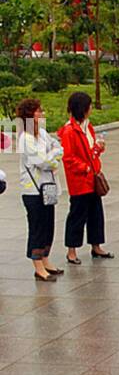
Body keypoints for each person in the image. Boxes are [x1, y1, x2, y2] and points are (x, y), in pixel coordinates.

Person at [58, 91, 113, 263]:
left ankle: (96, 246)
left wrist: (97, 149)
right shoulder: (69, 131)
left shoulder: (87, 127)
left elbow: (89, 151)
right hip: (80, 181)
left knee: (96, 213)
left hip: (92, 178)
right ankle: (71, 250)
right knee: (77, 215)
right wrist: (86, 167)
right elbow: (68, 158)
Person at [16, 96, 65, 282]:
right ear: (30, 114)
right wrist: (53, 157)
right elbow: (43, 162)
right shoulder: (25, 139)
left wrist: (53, 155)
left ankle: (46, 259)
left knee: (48, 225)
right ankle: (37, 265)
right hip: (33, 190)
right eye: (38, 111)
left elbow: (57, 146)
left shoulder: (42, 134)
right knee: (37, 227)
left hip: (48, 187)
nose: (41, 113)